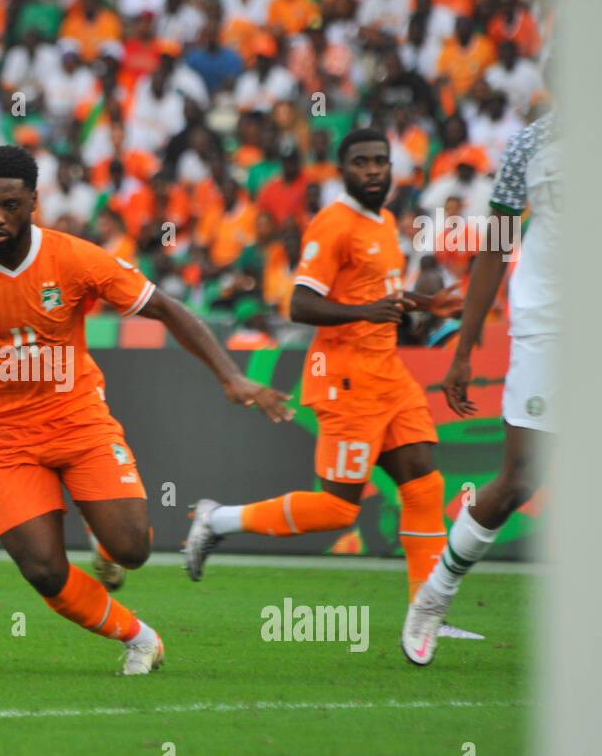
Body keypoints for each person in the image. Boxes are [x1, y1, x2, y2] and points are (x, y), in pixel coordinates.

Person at [0, 145, 291, 675]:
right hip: (3, 438)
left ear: (34, 202)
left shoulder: (74, 258)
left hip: (78, 419)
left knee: (132, 550)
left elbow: (166, 308)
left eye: (10, 205)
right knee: (41, 567)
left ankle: (105, 544)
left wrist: (231, 375)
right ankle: (139, 638)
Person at [184, 129, 461, 605]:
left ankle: (427, 614)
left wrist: (423, 302)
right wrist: (364, 313)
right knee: (337, 509)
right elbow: (300, 304)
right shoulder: (333, 225)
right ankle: (218, 520)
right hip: (346, 379)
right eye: (361, 162)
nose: (373, 169)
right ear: (342, 170)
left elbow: (379, 295)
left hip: (388, 376)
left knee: (424, 486)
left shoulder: (385, 221)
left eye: (380, 161)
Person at [408, 111, 559, 665]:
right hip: (548, 326)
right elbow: (495, 248)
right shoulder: (530, 145)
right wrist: (465, 349)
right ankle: (434, 596)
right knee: (519, 479)